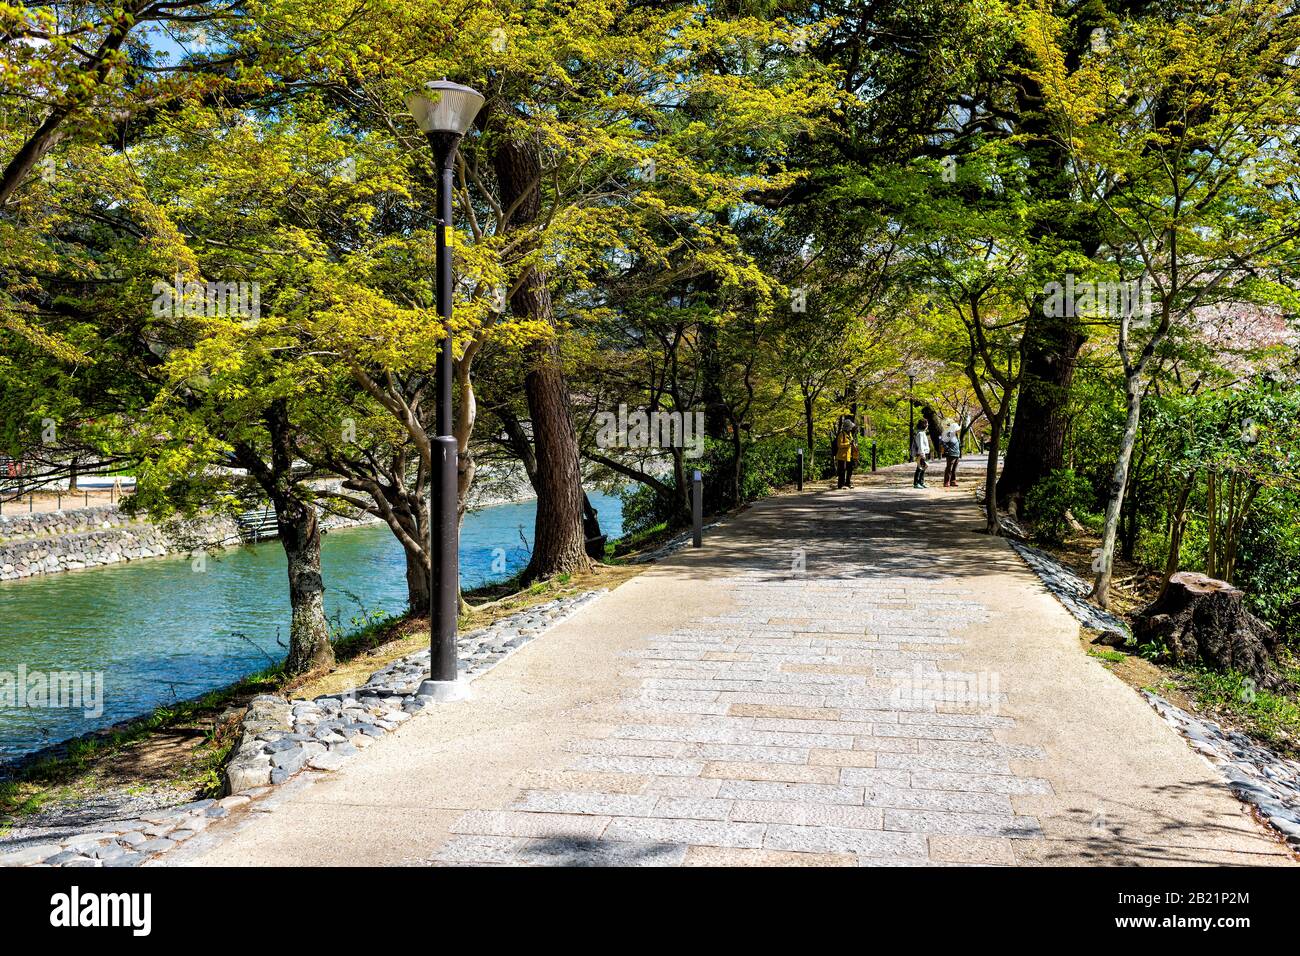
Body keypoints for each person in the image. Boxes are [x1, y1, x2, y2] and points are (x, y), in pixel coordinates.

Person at [833, 417, 855, 488]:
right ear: (847, 427)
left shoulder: (850, 434)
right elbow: (839, 445)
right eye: (850, 427)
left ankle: (848, 483)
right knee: (842, 470)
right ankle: (840, 484)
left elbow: (851, 443)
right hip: (842, 456)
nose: (851, 428)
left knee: (850, 469)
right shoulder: (841, 434)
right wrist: (848, 444)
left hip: (849, 455)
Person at [911, 420, 931, 488]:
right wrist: (922, 453)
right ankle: (916, 483)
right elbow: (920, 444)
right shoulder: (920, 434)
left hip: (924, 452)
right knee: (919, 468)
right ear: (924, 425)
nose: (928, 425)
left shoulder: (923, 433)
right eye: (927, 424)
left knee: (923, 467)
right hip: (922, 453)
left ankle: (921, 482)